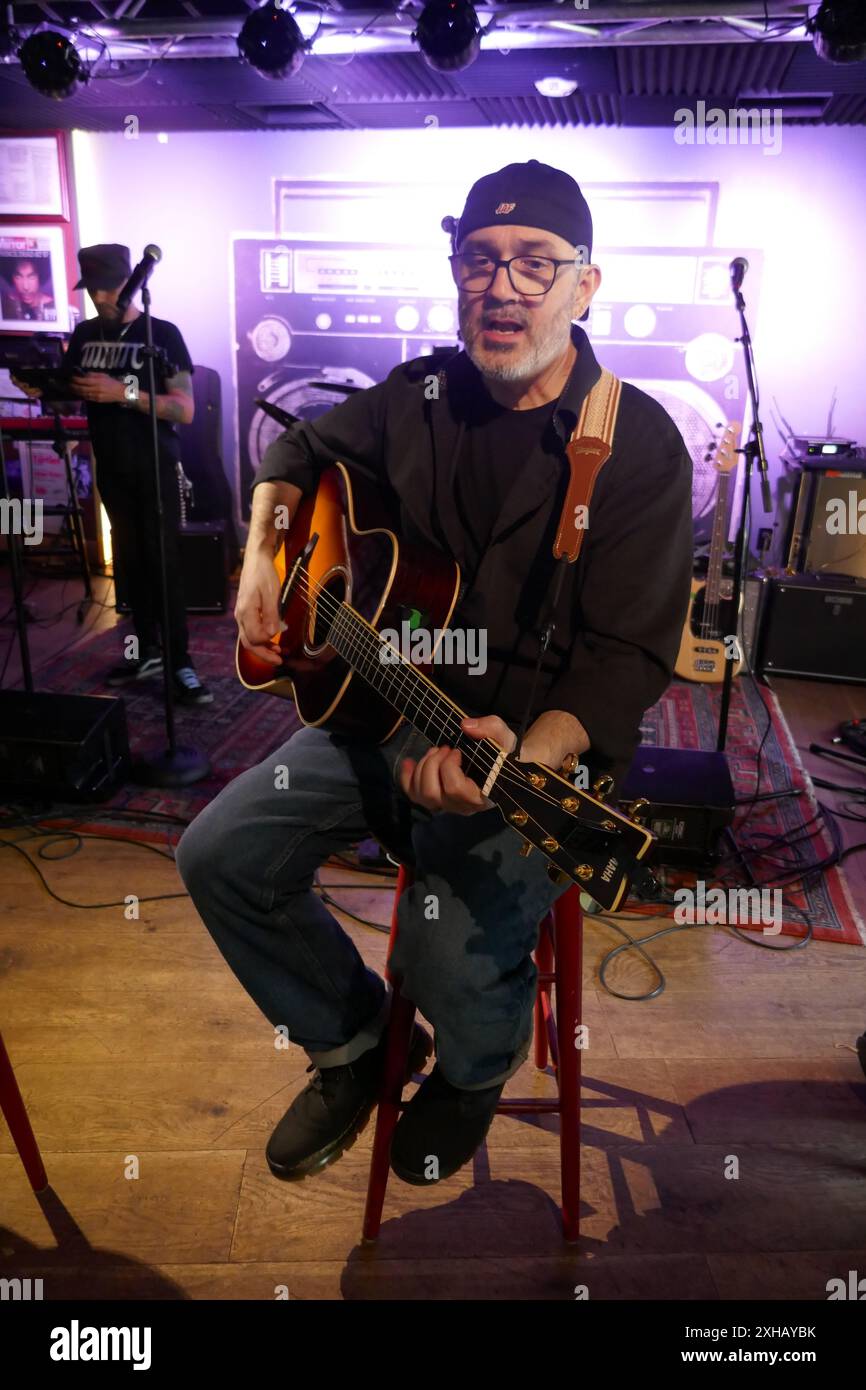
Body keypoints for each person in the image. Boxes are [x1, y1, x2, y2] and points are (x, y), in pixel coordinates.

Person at [175, 161, 694, 1186]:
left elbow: (625, 654)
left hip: (529, 751)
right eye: (479, 262)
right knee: (218, 853)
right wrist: (258, 559)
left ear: (584, 285)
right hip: (381, 700)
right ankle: (355, 1041)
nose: (500, 288)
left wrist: (530, 749)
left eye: (533, 265)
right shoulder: (419, 392)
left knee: (437, 948)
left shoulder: (633, 444)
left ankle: (472, 1067)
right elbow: (294, 458)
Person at [14, 243, 210, 703]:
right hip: (113, 464)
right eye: (94, 289)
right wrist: (43, 389)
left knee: (163, 564)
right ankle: (144, 652)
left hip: (156, 464)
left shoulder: (161, 334)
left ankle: (181, 662)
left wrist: (121, 392)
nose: (102, 297)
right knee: (127, 561)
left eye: (110, 287)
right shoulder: (83, 336)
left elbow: (183, 409)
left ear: (131, 282)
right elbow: (73, 396)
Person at [1, 256, 56, 322]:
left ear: (40, 277)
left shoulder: (54, 306)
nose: (25, 287)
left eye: (31, 277)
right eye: (18, 277)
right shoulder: (5, 304)